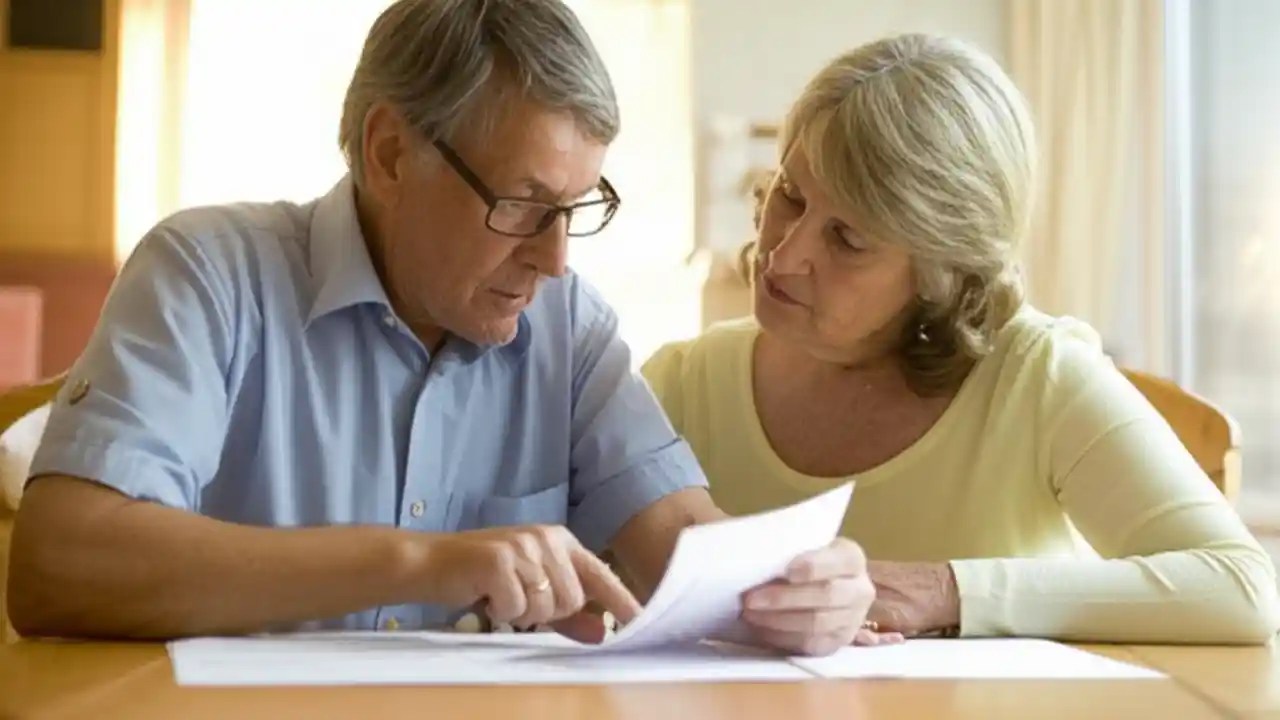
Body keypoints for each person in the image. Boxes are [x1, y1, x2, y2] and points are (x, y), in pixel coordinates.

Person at [7, 0, 877, 656]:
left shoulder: (566, 326)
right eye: (523, 206)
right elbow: (58, 566)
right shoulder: (209, 273)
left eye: (578, 208)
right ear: (391, 153)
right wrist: (423, 563)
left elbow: (681, 539)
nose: (556, 260)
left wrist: (795, 590)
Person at [642, 33, 1280, 644]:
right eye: (789, 195)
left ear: (939, 271)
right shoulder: (682, 384)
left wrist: (946, 590)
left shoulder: (1038, 376)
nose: (783, 254)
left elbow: (1243, 587)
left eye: (848, 239)